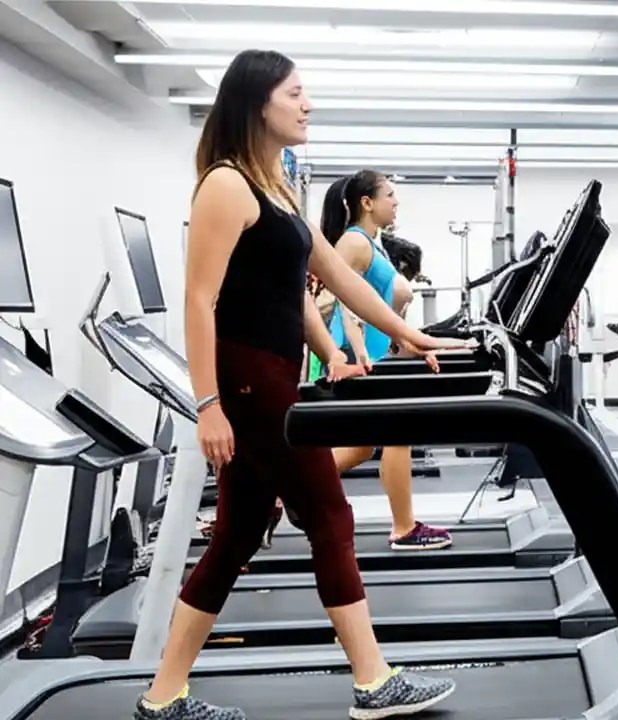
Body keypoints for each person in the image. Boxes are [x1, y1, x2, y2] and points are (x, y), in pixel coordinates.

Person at [135, 49, 462, 720]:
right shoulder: (226, 185)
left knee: (237, 534)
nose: (307, 104)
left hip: (274, 371)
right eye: (295, 93)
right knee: (330, 515)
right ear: (259, 103)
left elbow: (329, 282)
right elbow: (199, 299)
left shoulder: (277, 188)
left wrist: (403, 338)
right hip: (248, 377)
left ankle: (162, 697)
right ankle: (373, 681)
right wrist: (207, 404)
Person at [319, 170, 453, 551]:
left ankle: (281, 491)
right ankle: (403, 527)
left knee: (363, 446)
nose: (396, 202)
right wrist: (358, 351)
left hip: (376, 356)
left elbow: (381, 311)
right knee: (399, 430)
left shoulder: (373, 244)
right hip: (354, 357)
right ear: (367, 203)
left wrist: (412, 346)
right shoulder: (353, 242)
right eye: (390, 195)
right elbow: (344, 299)